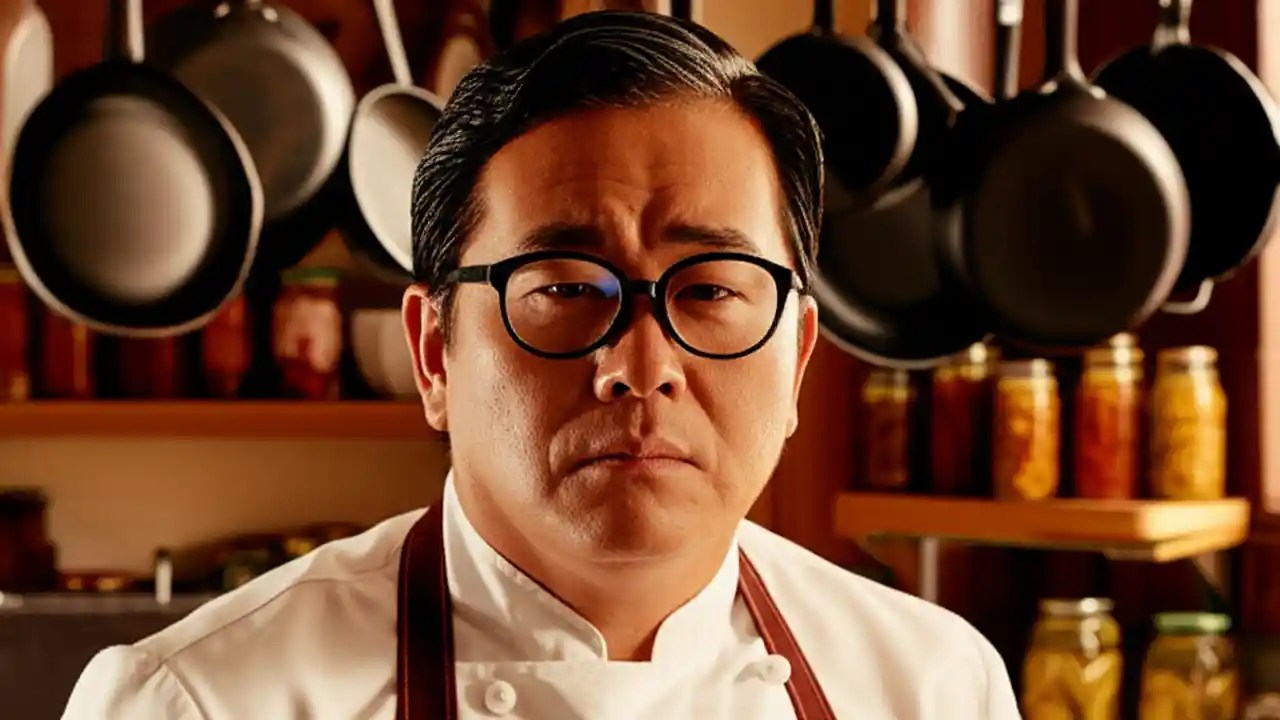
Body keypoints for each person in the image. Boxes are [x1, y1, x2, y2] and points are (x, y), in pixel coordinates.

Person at [62, 10, 1020, 720]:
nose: (640, 367)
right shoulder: (195, 701)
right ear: (434, 353)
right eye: (565, 289)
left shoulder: (931, 684)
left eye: (713, 290)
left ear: (799, 357)